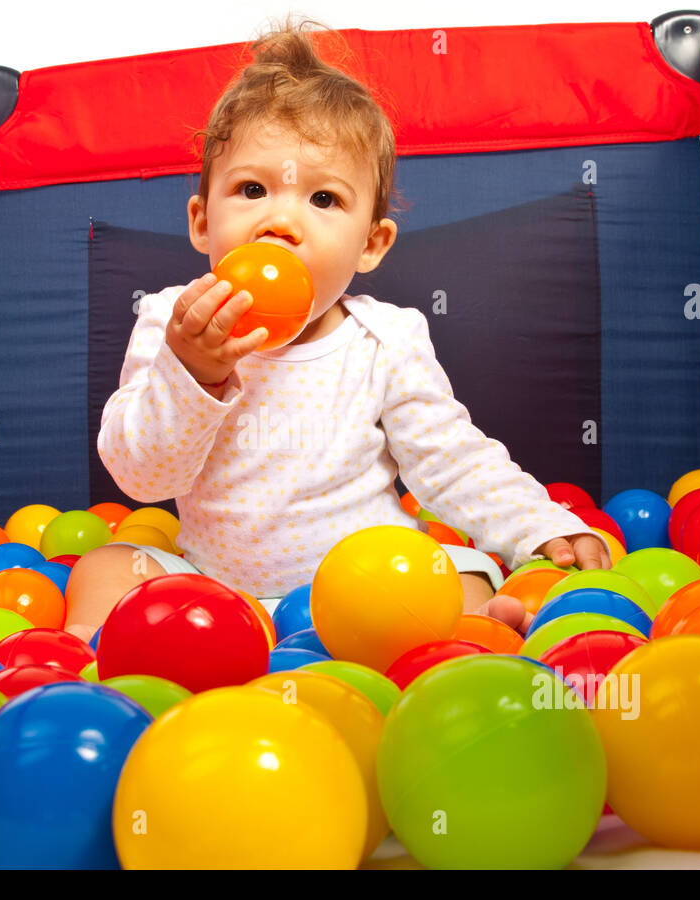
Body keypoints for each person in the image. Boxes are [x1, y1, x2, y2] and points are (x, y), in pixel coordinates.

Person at [65, 17, 608, 641]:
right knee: (108, 566)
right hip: (216, 593)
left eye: (323, 200)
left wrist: (537, 523)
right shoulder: (173, 322)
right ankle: (83, 656)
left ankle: (470, 630)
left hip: (369, 587)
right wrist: (193, 371)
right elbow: (142, 476)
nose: (281, 222)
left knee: (462, 572)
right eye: (251, 189)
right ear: (201, 223)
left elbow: (452, 462)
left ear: (371, 244)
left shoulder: (387, 340)